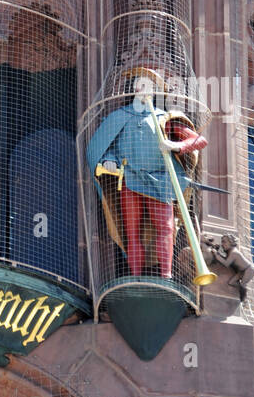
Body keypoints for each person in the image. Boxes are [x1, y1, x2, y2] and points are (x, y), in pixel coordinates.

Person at [86, 69, 207, 279]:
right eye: (141, 84)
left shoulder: (165, 118)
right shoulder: (119, 117)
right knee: (131, 232)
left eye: (150, 86)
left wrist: (173, 145)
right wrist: (110, 160)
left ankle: (166, 276)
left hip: (161, 180)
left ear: (155, 92)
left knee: (166, 228)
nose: (145, 89)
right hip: (130, 180)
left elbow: (198, 141)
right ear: (134, 88)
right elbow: (108, 147)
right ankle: (136, 276)